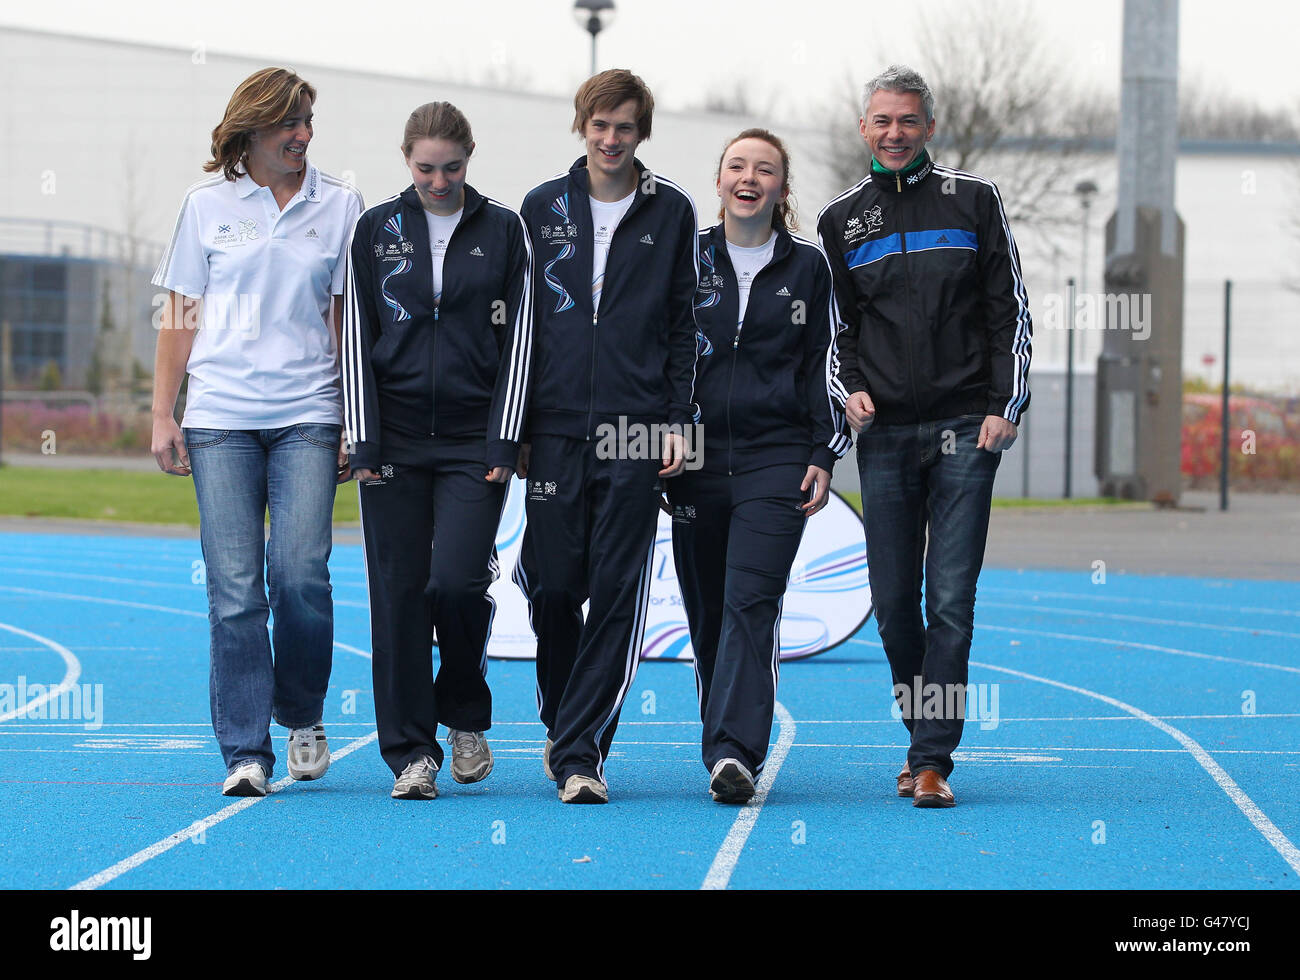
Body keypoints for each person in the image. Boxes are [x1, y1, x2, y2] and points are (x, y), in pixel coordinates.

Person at [816, 65, 1032, 808]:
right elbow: (833, 330)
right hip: (885, 438)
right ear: (865, 128)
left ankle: (931, 759)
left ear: (928, 127)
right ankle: (921, 734)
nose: (895, 133)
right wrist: (850, 390)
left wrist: (1007, 405)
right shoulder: (841, 221)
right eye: (882, 121)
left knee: (950, 602)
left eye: (907, 121)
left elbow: (1010, 313)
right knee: (893, 605)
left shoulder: (975, 200)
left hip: (966, 428)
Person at [151, 67, 362, 797]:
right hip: (219, 420)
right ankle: (246, 749)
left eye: (307, 123)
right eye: (288, 125)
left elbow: (345, 322)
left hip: (310, 412)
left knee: (299, 574)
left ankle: (301, 711)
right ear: (252, 129)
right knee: (235, 589)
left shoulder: (340, 205)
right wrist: (161, 413)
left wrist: (351, 422)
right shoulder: (205, 205)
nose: (302, 136)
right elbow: (180, 315)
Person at [514, 68, 699, 804]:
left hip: (635, 425)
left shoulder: (673, 212)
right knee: (554, 584)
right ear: (582, 126)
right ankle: (566, 723)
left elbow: (686, 326)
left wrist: (679, 420)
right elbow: (519, 325)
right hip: (554, 425)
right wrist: (515, 428)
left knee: (618, 591)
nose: (611, 138)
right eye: (600, 125)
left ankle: (583, 752)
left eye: (624, 127)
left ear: (640, 132)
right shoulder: (539, 207)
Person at [342, 102, 533, 801]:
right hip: (390, 439)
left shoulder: (504, 229)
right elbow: (356, 335)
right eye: (425, 168)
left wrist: (504, 438)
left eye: (452, 167)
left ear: (470, 157)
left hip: (471, 442)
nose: (439, 180)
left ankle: (464, 714)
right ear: (406, 161)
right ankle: (411, 755)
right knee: (396, 597)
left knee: (453, 582)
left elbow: (522, 341)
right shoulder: (375, 230)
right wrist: (361, 436)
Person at [672, 128, 850, 803]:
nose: (750, 178)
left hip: (777, 460)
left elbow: (826, 364)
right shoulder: (686, 261)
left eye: (765, 169)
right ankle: (723, 734)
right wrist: (665, 435)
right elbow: (664, 355)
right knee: (709, 612)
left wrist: (823, 451)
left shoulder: (809, 268)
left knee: (752, 601)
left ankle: (732, 753)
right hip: (694, 464)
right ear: (719, 181)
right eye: (737, 166)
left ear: (781, 187)